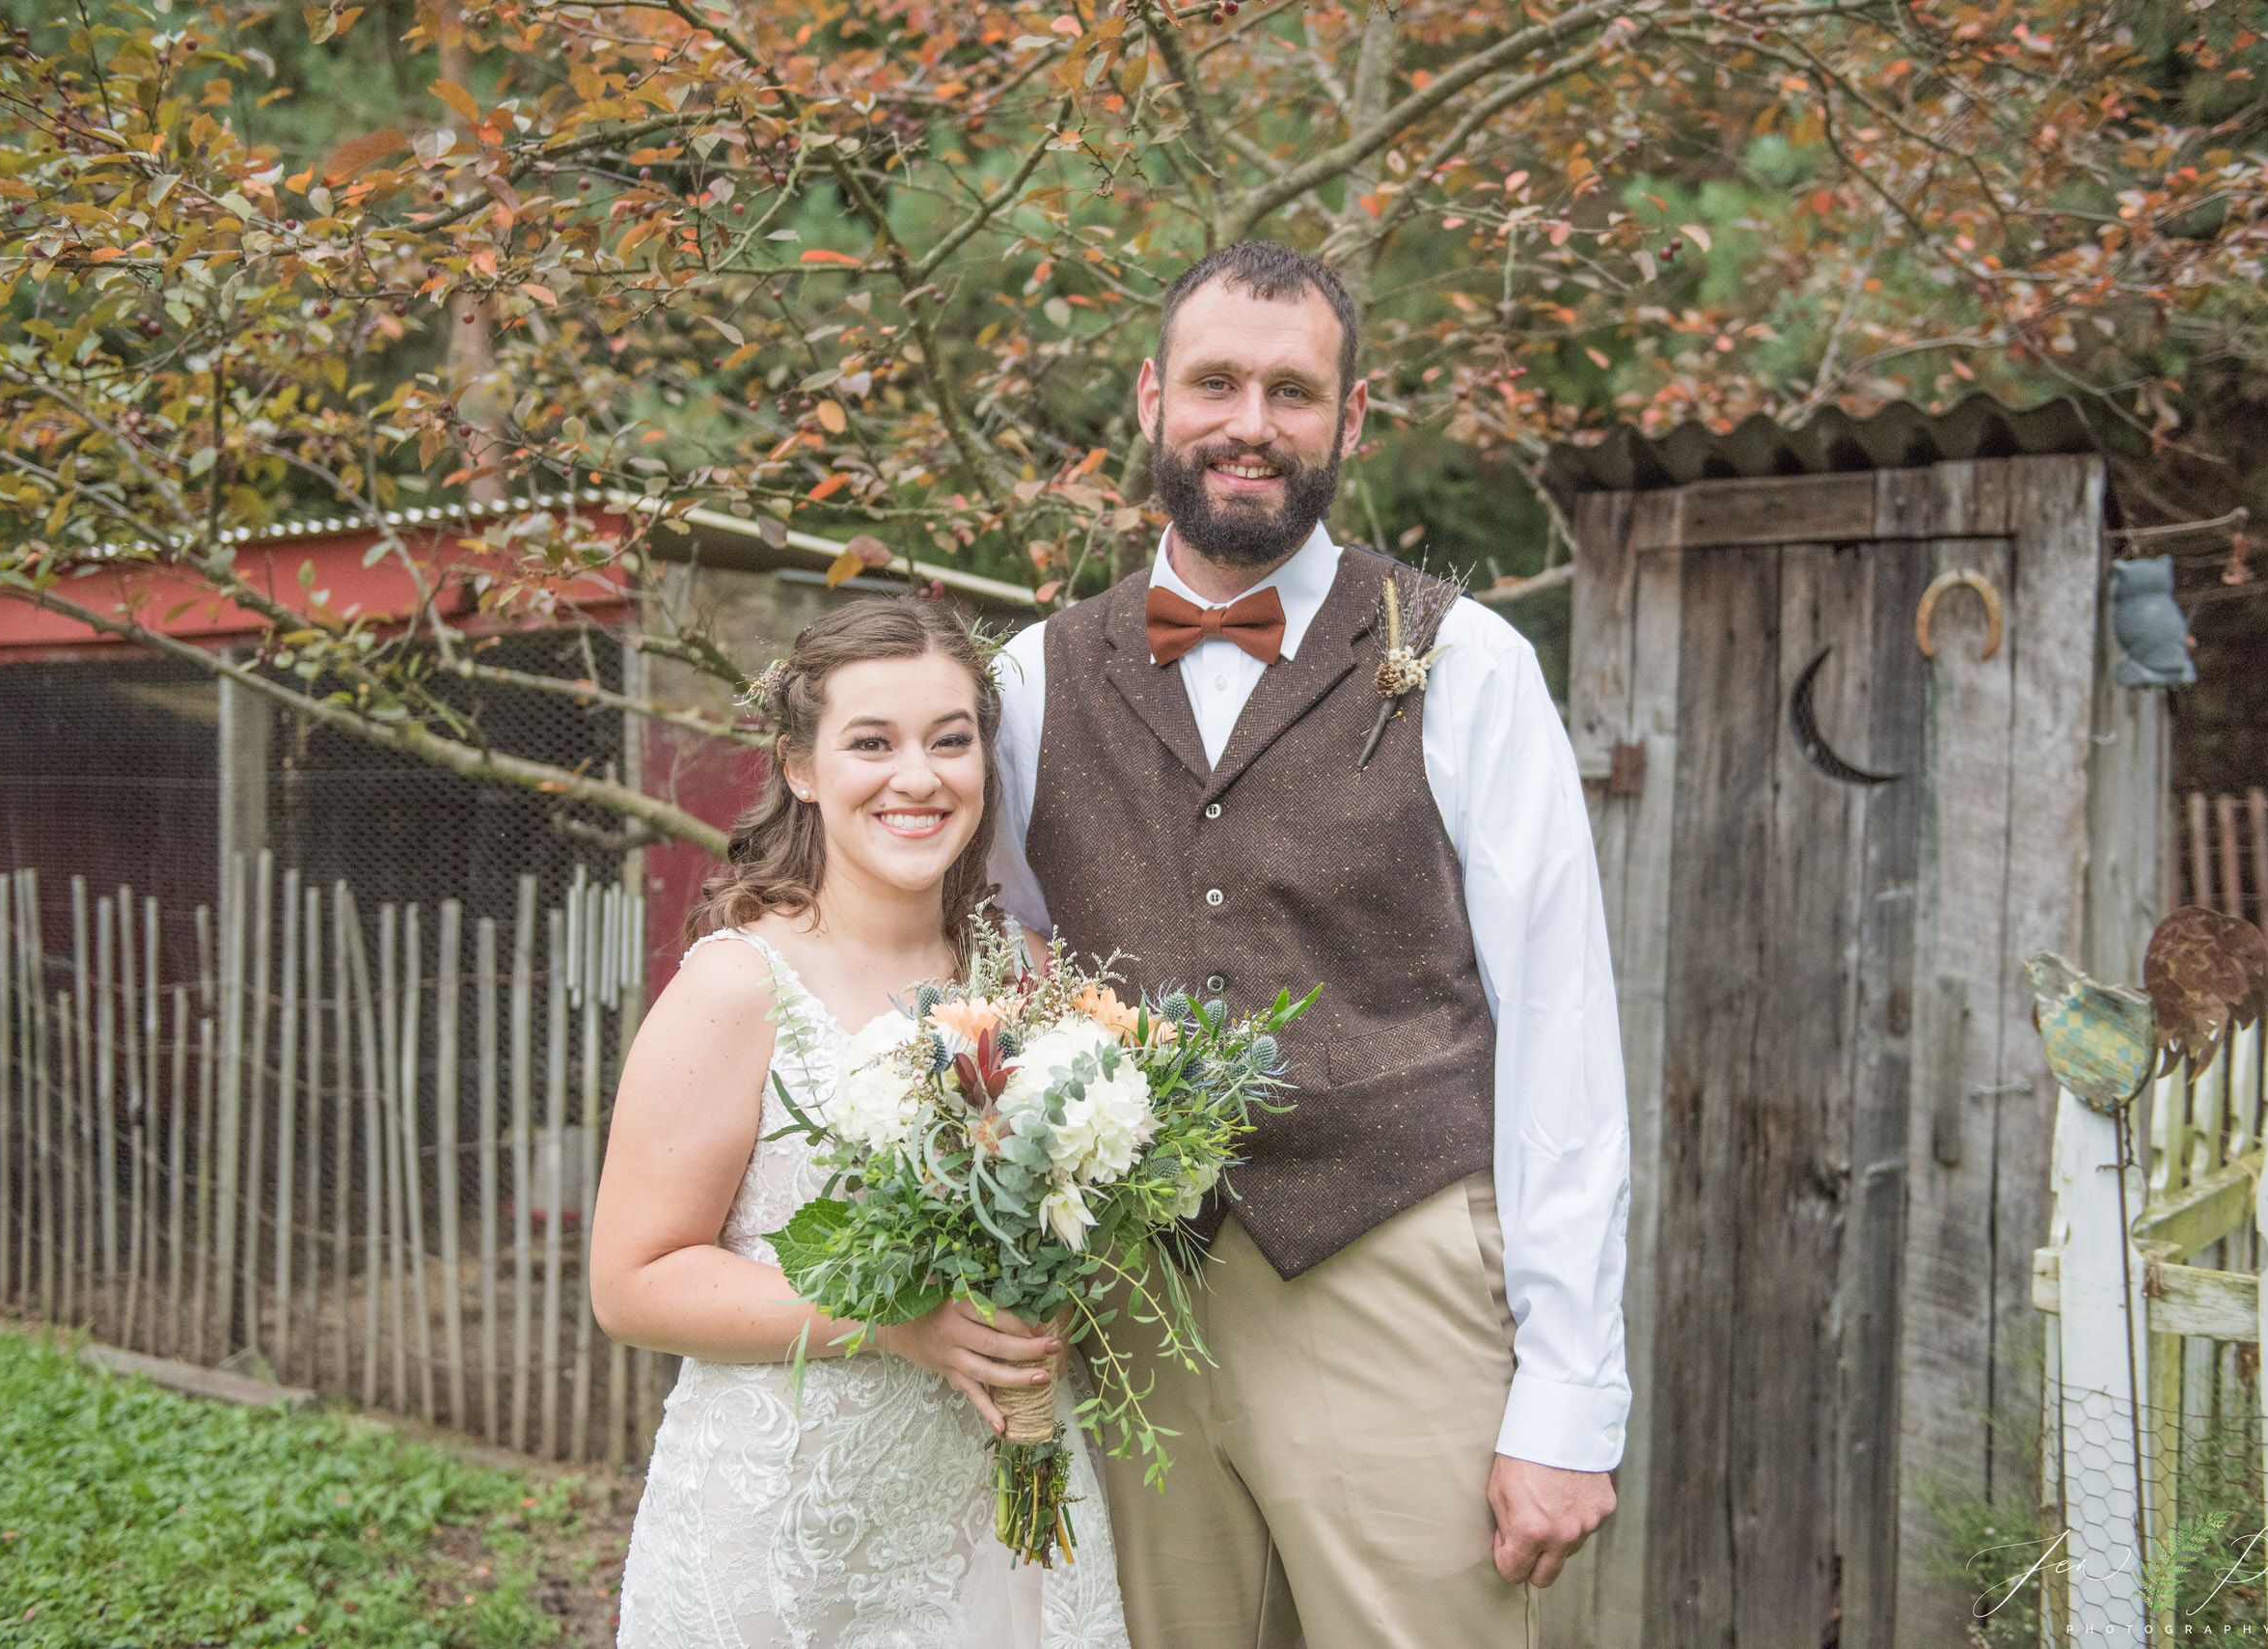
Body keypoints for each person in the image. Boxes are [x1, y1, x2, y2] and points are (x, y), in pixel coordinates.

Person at [989, 241, 1630, 1649]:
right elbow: (999, 998)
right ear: (1152, 400)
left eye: (1292, 390)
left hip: (1393, 1264)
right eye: (1216, 381)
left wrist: (1571, 1396)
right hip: (1129, 1307)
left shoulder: (1465, 661)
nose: (1249, 423)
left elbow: (1562, 1029)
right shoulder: (1031, 680)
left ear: (1350, 423)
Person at [592, 599, 1129, 1649]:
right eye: (871, 742)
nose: (918, 777)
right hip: (796, 1535)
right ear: (800, 766)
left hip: (1000, 1526)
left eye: (950, 739)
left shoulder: (1027, 978)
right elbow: (635, 1280)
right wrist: (895, 1323)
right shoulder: (738, 985)